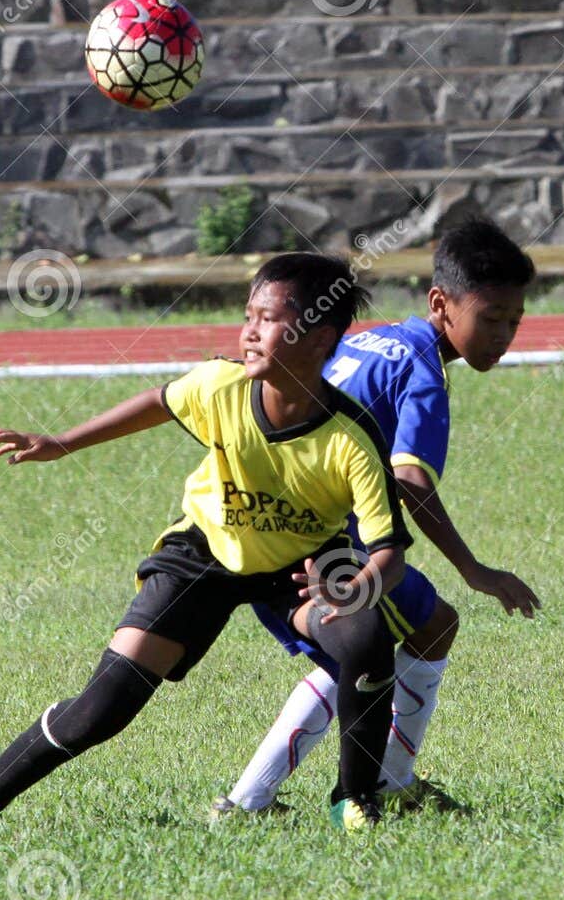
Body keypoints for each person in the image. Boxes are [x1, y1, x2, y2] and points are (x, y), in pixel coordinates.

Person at [0, 253, 412, 833]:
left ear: (319, 339)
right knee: (100, 712)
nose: (248, 330)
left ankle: (355, 796)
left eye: (267, 319)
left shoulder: (350, 437)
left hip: (297, 568)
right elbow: (159, 401)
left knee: (367, 634)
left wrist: (361, 586)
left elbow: (389, 547)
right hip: (202, 556)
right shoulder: (221, 386)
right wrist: (61, 442)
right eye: (248, 315)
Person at [215, 218, 541, 817]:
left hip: (266, 517)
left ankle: (259, 798)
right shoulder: (423, 372)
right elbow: (409, 482)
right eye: (492, 318)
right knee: (409, 634)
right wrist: (475, 570)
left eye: (514, 322)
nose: (504, 335)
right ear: (441, 304)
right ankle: (341, 786)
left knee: (396, 636)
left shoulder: (372, 340)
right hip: (331, 535)